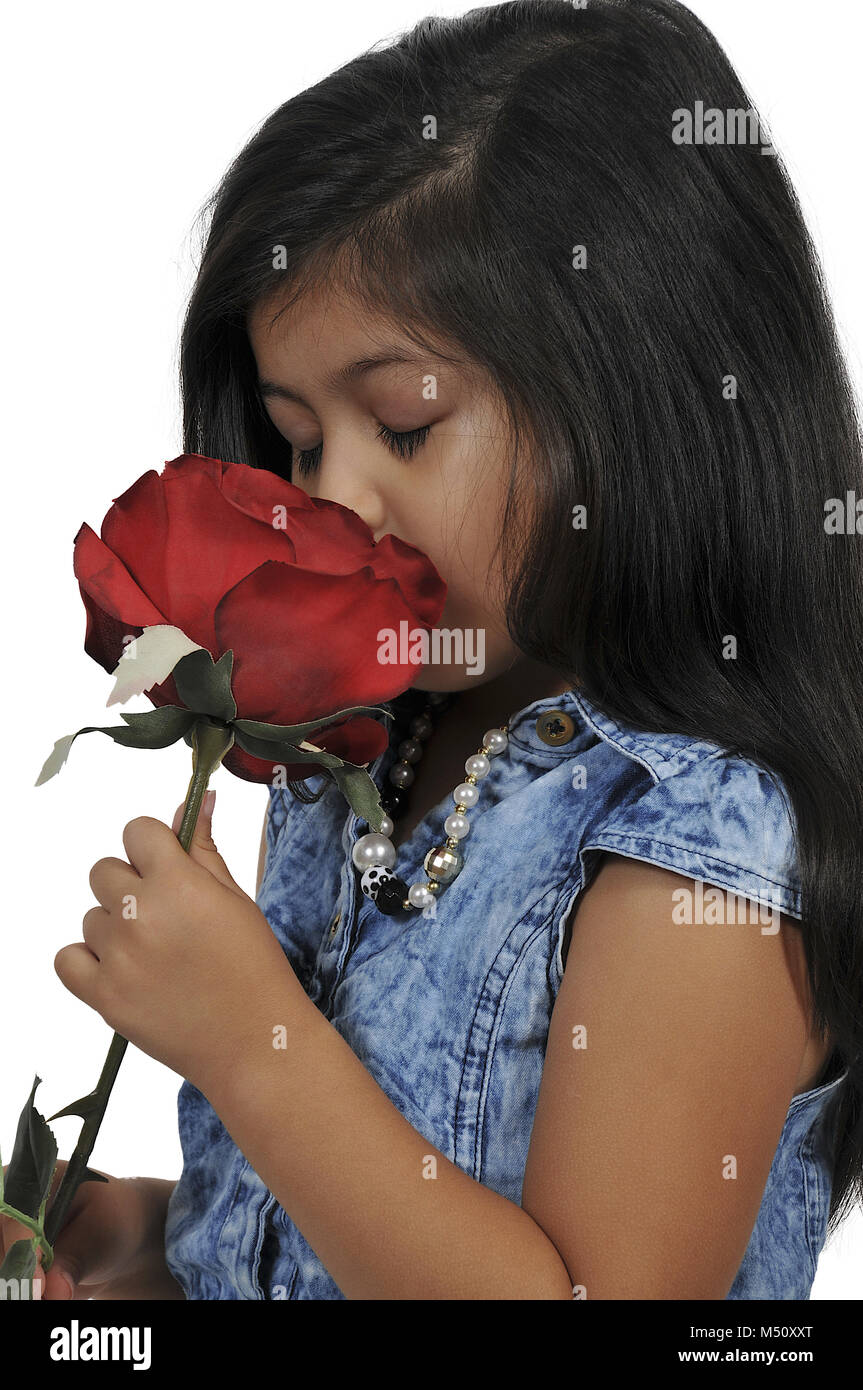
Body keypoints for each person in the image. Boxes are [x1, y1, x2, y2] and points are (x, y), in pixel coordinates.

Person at [6, 0, 862, 1299]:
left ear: (636, 397)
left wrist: (254, 1044)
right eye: (300, 438)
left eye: (403, 423)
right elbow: (371, 1222)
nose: (330, 498)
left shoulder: (695, 849)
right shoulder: (359, 752)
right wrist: (158, 1247)